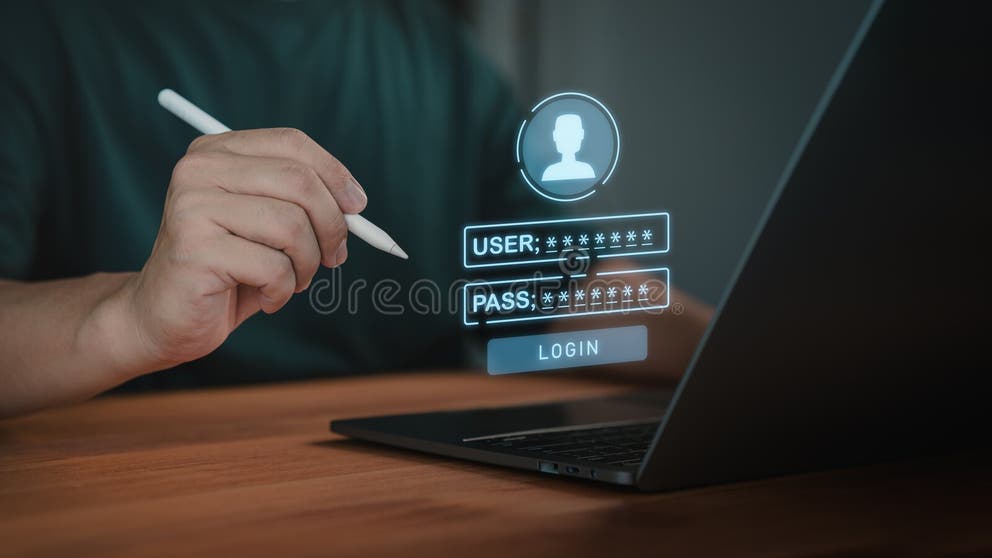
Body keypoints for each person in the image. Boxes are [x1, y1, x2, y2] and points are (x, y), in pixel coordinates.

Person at [0, 0, 712, 419]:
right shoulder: (38, 30)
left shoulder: (434, 50)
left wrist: (739, 350)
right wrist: (129, 316)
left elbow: (564, 284)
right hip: (147, 480)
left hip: (411, 478)